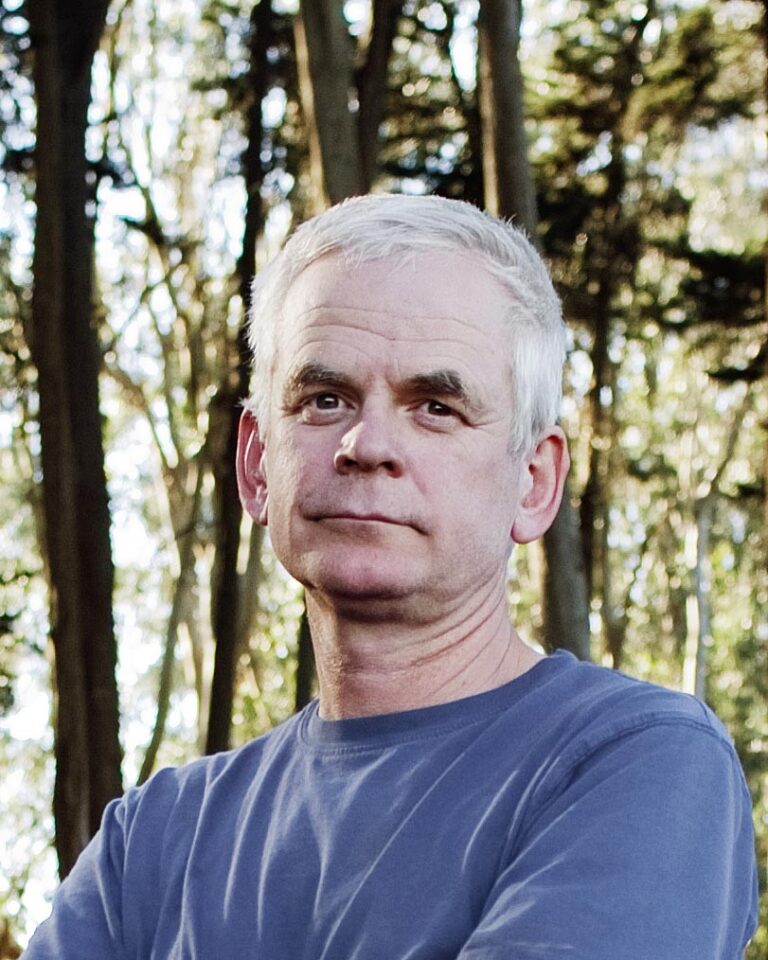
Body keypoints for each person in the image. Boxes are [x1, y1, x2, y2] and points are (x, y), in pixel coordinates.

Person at [24, 195, 758, 958]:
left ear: (534, 483)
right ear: (257, 465)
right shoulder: (149, 846)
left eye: (436, 407)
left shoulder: (638, 763)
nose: (367, 444)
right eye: (324, 400)